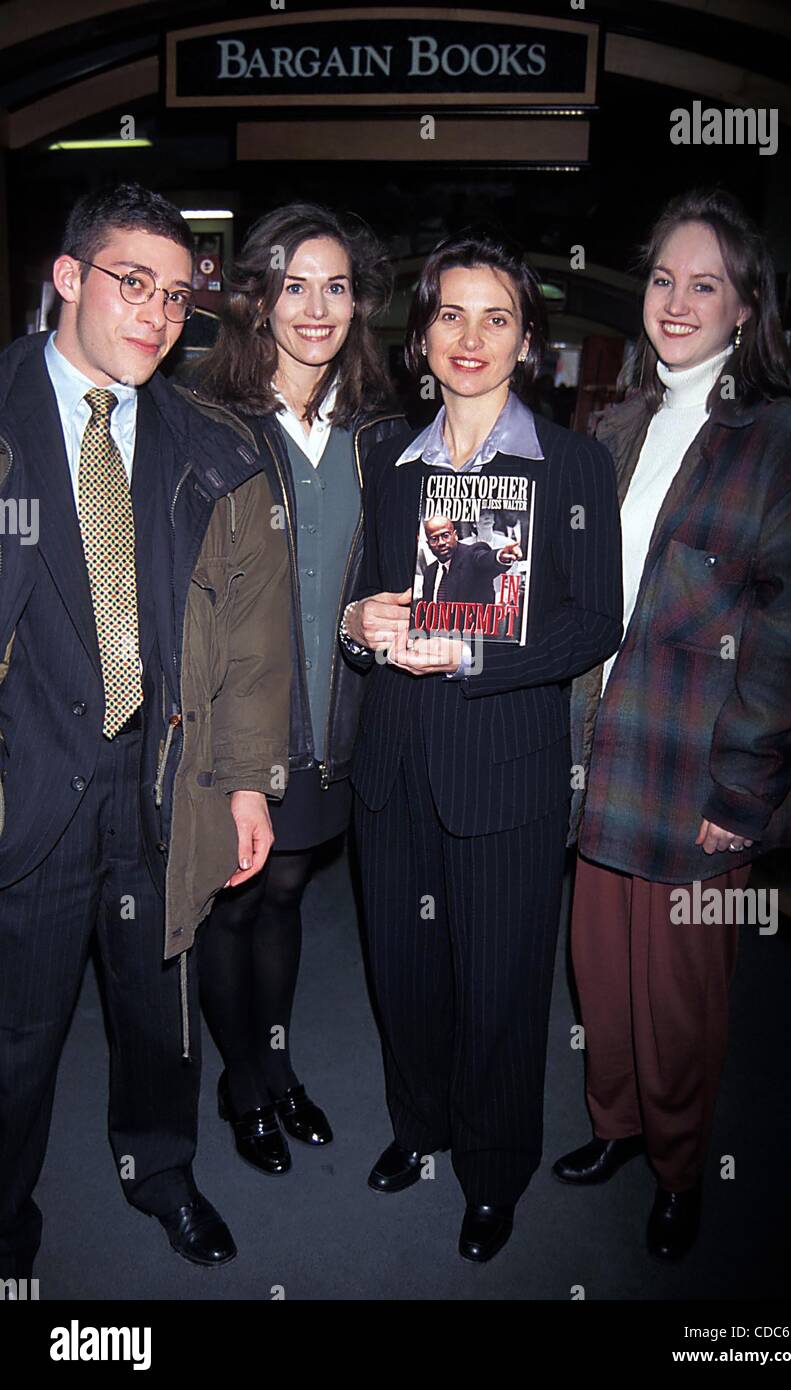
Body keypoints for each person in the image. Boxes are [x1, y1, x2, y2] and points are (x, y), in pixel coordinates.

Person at [0, 182, 291, 1279]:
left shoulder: (209, 442)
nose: (159, 315)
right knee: (16, 1040)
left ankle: (159, 1174)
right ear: (68, 277)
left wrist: (248, 782)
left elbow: (257, 641)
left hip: (162, 783)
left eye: (177, 295)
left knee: (156, 1014)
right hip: (27, 783)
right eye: (134, 283)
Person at [553, 188, 791, 1259]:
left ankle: (679, 1169)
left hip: (694, 767)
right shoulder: (616, 420)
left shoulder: (779, 440)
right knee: (599, 970)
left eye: (703, 284)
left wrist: (742, 793)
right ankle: (616, 1127)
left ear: (744, 305)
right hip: (600, 752)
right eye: (663, 279)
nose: (676, 301)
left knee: (678, 998)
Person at [341, 230, 622, 1262]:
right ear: (420, 334)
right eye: (449, 314)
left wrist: (467, 658)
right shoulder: (386, 458)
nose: (470, 336)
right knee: (403, 971)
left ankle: (490, 1169)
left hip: (503, 772)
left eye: (495, 316)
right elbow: (356, 601)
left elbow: (593, 621)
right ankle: (419, 1131)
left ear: (527, 340)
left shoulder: (574, 462)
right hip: (393, 767)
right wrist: (355, 626)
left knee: (500, 987)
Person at [193, 203, 406, 1172]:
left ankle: (274, 1069)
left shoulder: (381, 434)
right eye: (292, 284)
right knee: (231, 904)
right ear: (259, 301)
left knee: (283, 895)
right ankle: (240, 1086)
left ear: (358, 303)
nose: (314, 306)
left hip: (337, 716)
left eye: (334, 285)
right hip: (238, 722)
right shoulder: (210, 422)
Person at [421, 513, 521, 607]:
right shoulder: (430, 571)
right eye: (434, 539)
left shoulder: (471, 554)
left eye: (446, 536)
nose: (441, 542)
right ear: (428, 544)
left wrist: (499, 557)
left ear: (455, 535)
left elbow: (484, 559)